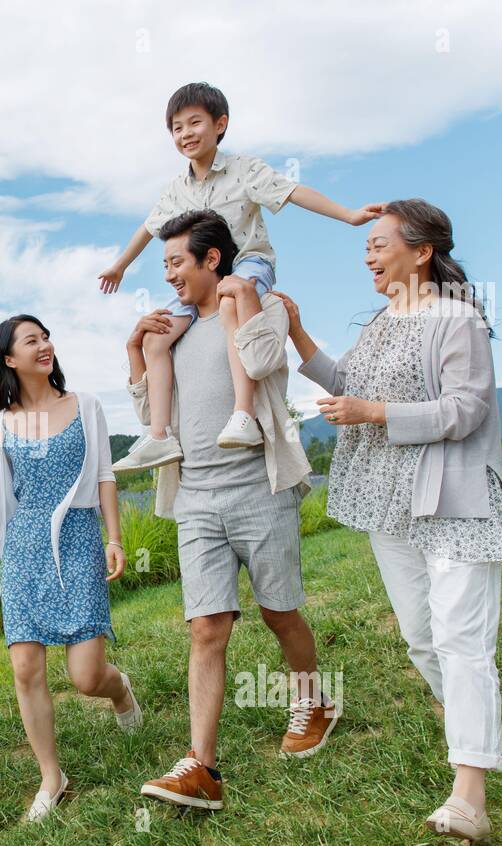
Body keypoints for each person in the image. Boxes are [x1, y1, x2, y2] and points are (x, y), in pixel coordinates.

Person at [287, 198, 502, 846]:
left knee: (461, 641)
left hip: (455, 497)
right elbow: (346, 380)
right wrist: (298, 333)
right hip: (391, 503)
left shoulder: (457, 319)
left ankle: (470, 794)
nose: (369, 253)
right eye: (366, 246)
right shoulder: (382, 323)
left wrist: (377, 412)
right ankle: (470, 725)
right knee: (422, 637)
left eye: (380, 243)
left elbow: (466, 408)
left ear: (422, 252)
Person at [126, 210, 338, 813]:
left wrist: (237, 303)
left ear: (211, 260)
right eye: (163, 263)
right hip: (195, 498)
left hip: (259, 490)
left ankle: (313, 700)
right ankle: (202, 766)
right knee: (206, 627)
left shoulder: (254, 307)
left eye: (175, 262)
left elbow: (269, 359)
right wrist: (138, 351)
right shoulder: (175, 331)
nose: (168, 276)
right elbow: (150, 419)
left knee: (280, 613)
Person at [106, 81, 382, 468]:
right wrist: (120, 265)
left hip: (247, 264)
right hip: (203, 276)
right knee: (155, 336)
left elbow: (293, 192)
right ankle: (159, 435)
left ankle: (244, 415)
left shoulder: (244, 170)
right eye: (177, 127)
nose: (186, 134)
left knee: (233, 296)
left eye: (195, 123)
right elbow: (149, 227)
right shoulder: (175, 189)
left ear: (220, 124)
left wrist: (349, 215)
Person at [0, 314, 138, 822]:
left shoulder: (85, 405)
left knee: (85, 675)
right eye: (32, 340)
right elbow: (0, 493)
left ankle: (120, 692)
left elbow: (104, 477)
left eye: (46, 336)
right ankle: (52, 777)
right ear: (9, 359)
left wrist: (113, 538)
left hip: (77, 540)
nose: (44, 345)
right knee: (25, 667)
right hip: (25, 547)